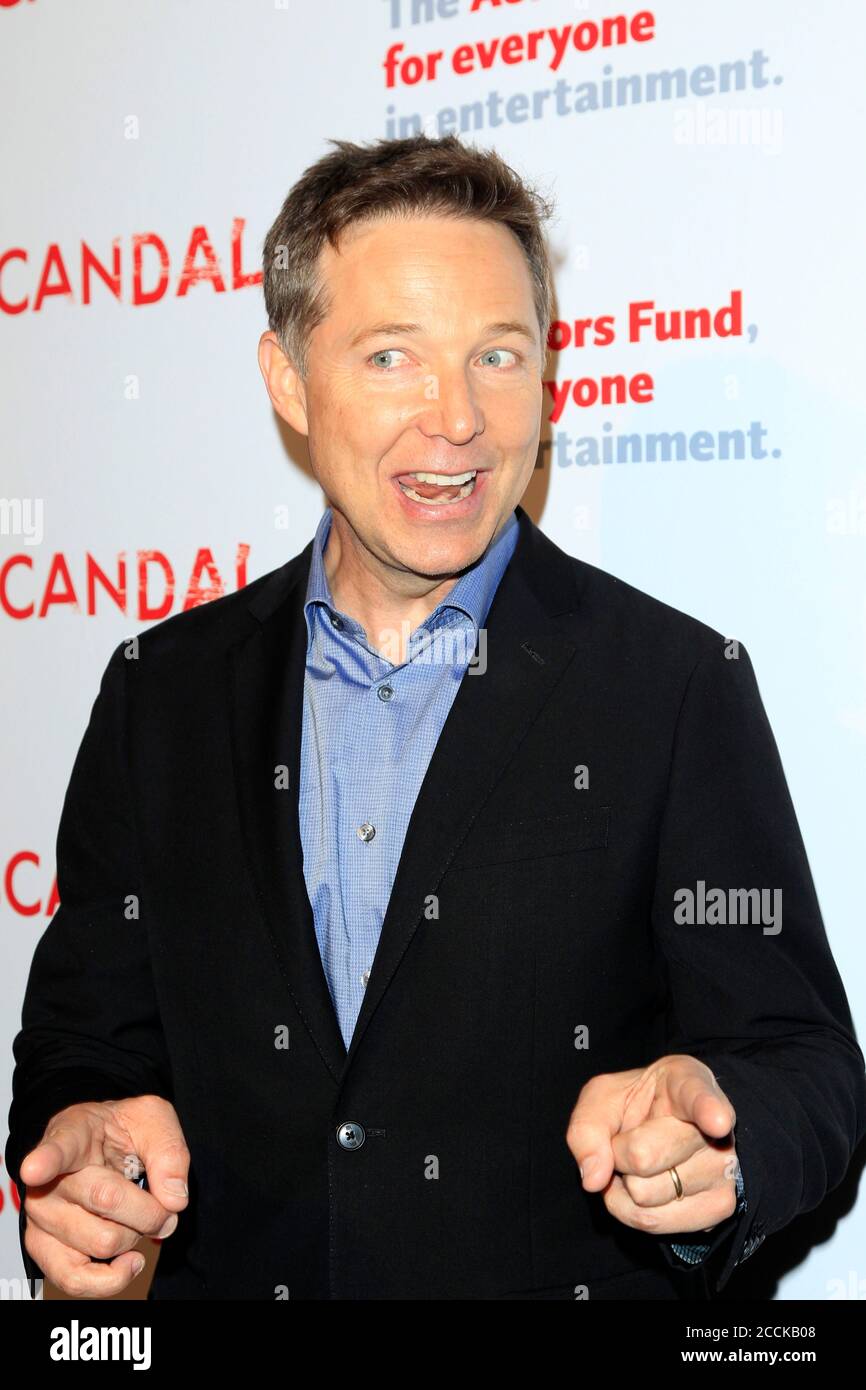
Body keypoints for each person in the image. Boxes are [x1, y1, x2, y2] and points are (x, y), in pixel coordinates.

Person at [6, 135, 865, 1301]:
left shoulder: (670, 684)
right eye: (391, 356)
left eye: (496, 356)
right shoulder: (159, 693)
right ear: (288, 378)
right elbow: (83, 1045)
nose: (454, 419)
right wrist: (83, 1156)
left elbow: (802, 1061)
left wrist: (725, 1139)